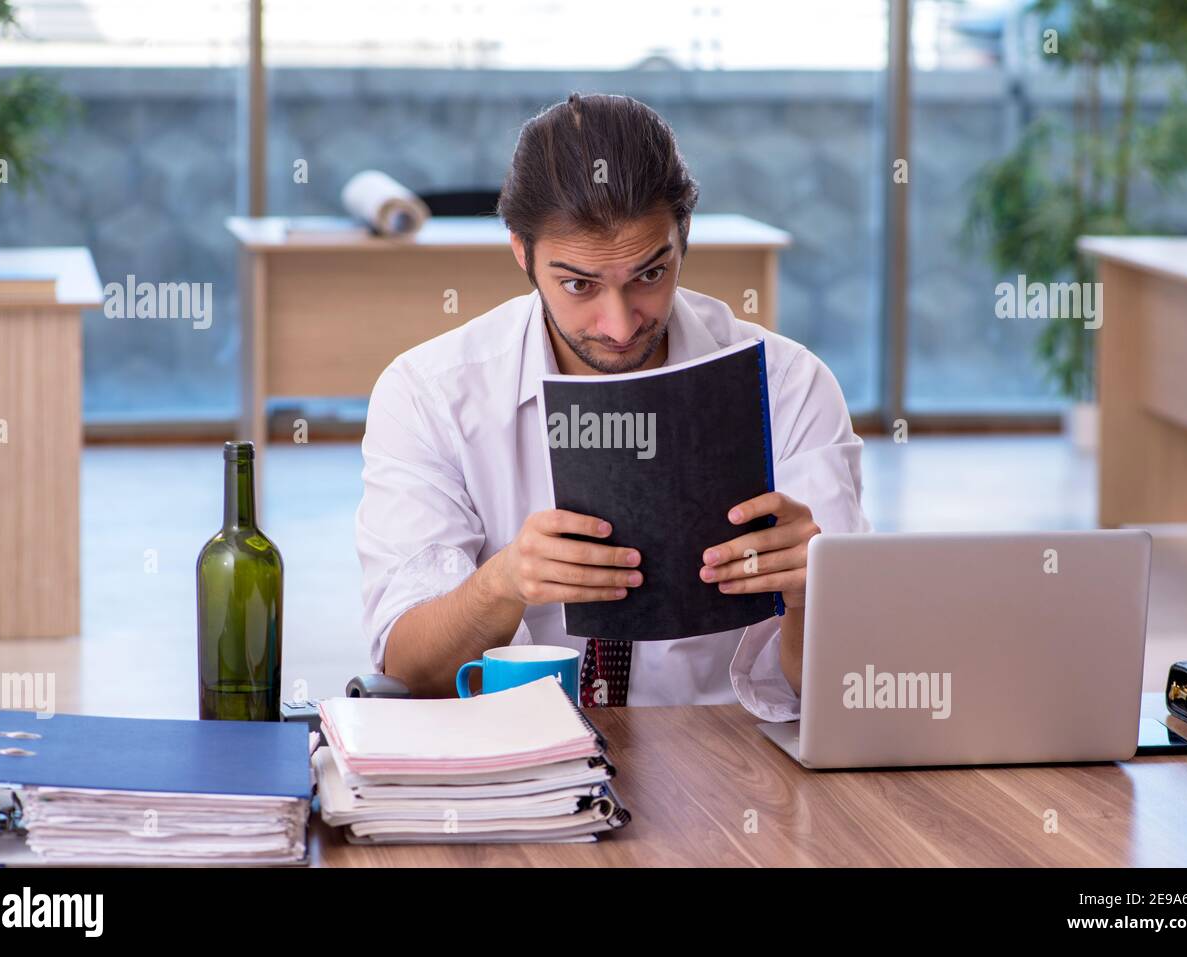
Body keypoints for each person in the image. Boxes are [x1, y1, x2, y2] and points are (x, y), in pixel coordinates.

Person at [355, 92, 870, 720]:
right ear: (522, 252)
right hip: (521, 764)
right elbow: (408, 672)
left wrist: (809, 599)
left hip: (732, 765)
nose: (620, 324)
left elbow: (845, 695)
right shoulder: (429, 393)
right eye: (579, 284)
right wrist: (503, 581)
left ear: (684, 238)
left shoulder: (788, 387)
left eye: (649, 276)